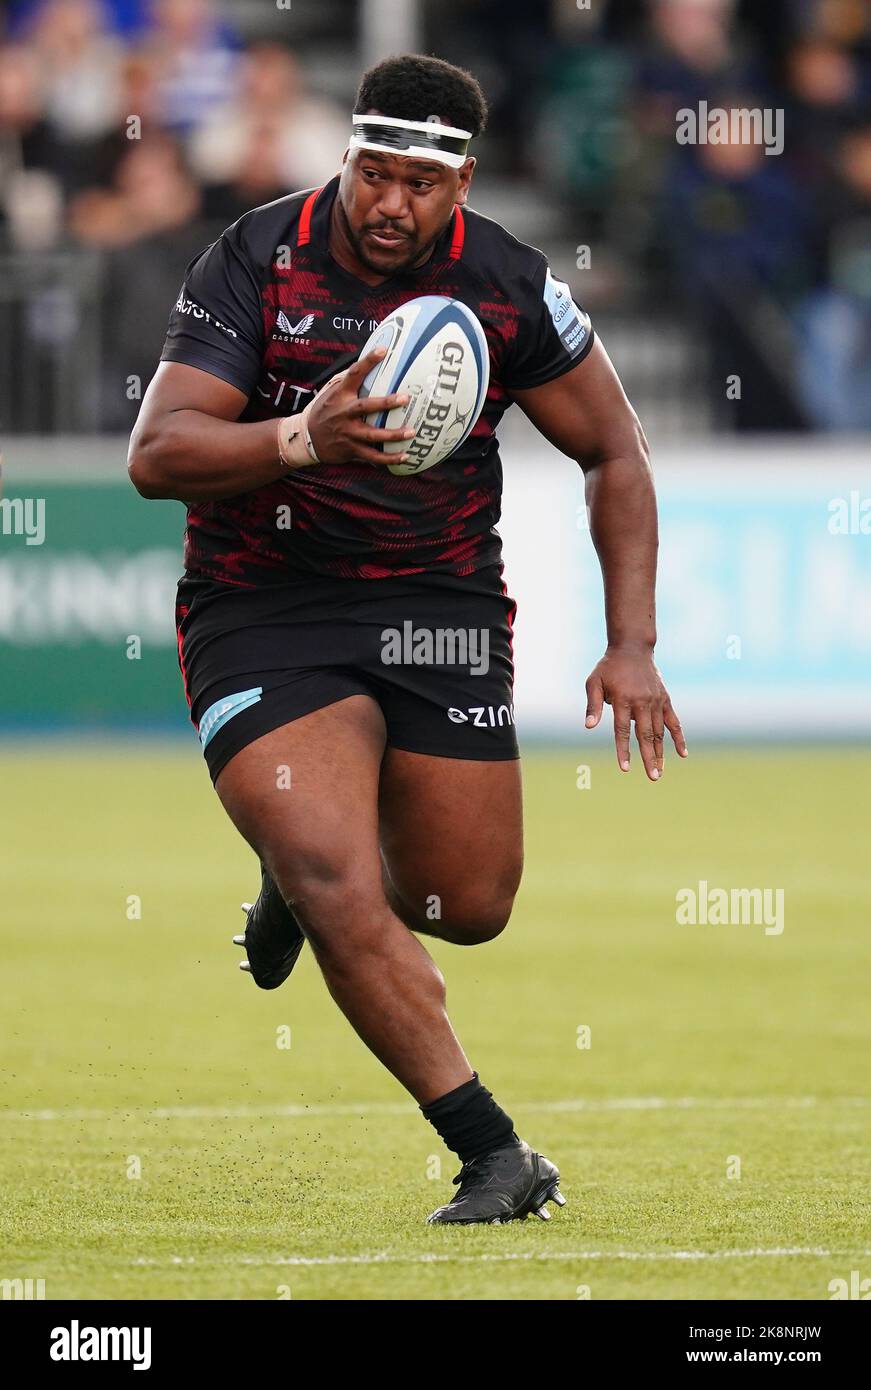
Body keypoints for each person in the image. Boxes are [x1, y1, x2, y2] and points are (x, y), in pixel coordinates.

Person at [128, 52, 686, 1226]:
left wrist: (629, 641)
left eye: (418, 186)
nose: (390, 204)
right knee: (338, 875)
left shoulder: (508, 282)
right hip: (263, 605)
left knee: (465, 903)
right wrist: (299, 440)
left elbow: (615, 450)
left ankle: (295, 873)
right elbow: (160, 453)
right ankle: (493, 1152)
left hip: (439, 609)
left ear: (463, 183)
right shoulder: (257, 258)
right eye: (372, 173)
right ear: (347, 156)